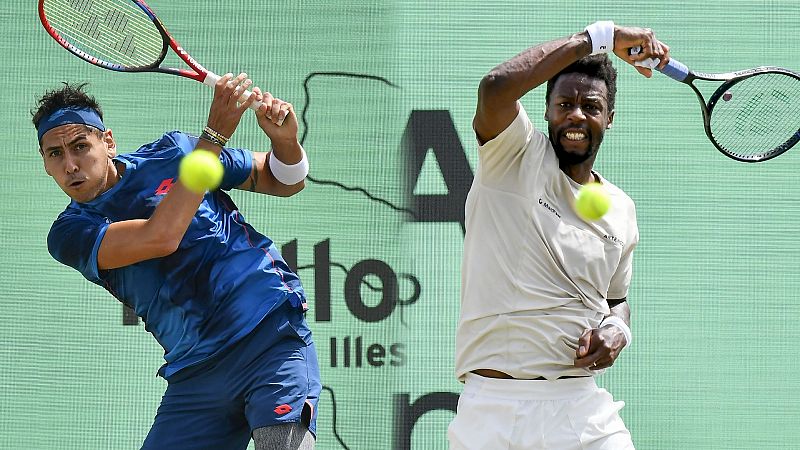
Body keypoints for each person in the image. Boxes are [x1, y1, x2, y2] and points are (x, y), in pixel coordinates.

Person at [32, 74, 320, 450]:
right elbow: (160, 237)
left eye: (80, 146)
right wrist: (214, 137)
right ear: (45, 164)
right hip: (196, 374)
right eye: (56, 154)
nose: (70, 164)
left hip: (269, 337)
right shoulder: (70, 234)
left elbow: (285, 179)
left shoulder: (175, 153)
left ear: (109, 143)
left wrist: (284, 140)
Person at [448, 22, 670, 449]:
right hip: (494, 411)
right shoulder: (513, 155)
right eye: (564, 103)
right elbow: (495, 87)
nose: (576, 115)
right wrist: (598, 38)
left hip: (582, 409)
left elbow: (617, 301)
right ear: (546, 110)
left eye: (590, 105)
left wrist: (618, 331)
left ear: (609, 117)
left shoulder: (620, 208)